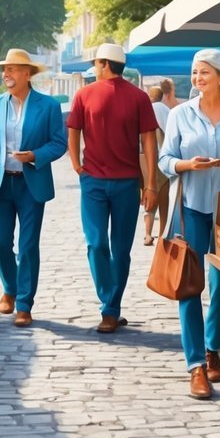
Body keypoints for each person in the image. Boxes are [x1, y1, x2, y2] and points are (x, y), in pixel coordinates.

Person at [158, 49, 220, 400]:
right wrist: (188, 166)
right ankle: (196, 366)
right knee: (189, 287)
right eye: (194, 72)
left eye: (204, 73)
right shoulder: (179, 115)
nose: (198, 78)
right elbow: (164, 160)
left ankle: (213, 347)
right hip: (189, 209)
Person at [0, 49, 67, 328]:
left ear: (27, 74)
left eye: (12, 69)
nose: (6, 74)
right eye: (5, 69)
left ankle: (24, 304)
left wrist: (35, 155)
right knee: (0, 242)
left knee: (27, 246)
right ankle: (9, 288)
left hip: (30, 184)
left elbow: (59, 143)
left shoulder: (47, 106)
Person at [67, 44, 158, 332]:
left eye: (96, 62)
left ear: (105, 64)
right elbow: (74, 130)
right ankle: (109, 302)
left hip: (122, 182)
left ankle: (110, 308)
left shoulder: (136, 97)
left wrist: (150, 184)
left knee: (115, 248)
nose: (94, 66)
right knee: (100, 244)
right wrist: (77, 165)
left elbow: (148, 141)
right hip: (99, 181)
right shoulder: (86, 94)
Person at [141, 86, 171, 247]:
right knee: (164, 199)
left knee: (149, 197)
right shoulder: (167, 111)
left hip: (149, 161)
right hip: (166, 162)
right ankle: (162, 234)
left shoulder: (148, 109)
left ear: (150, 97)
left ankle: (147, 234)